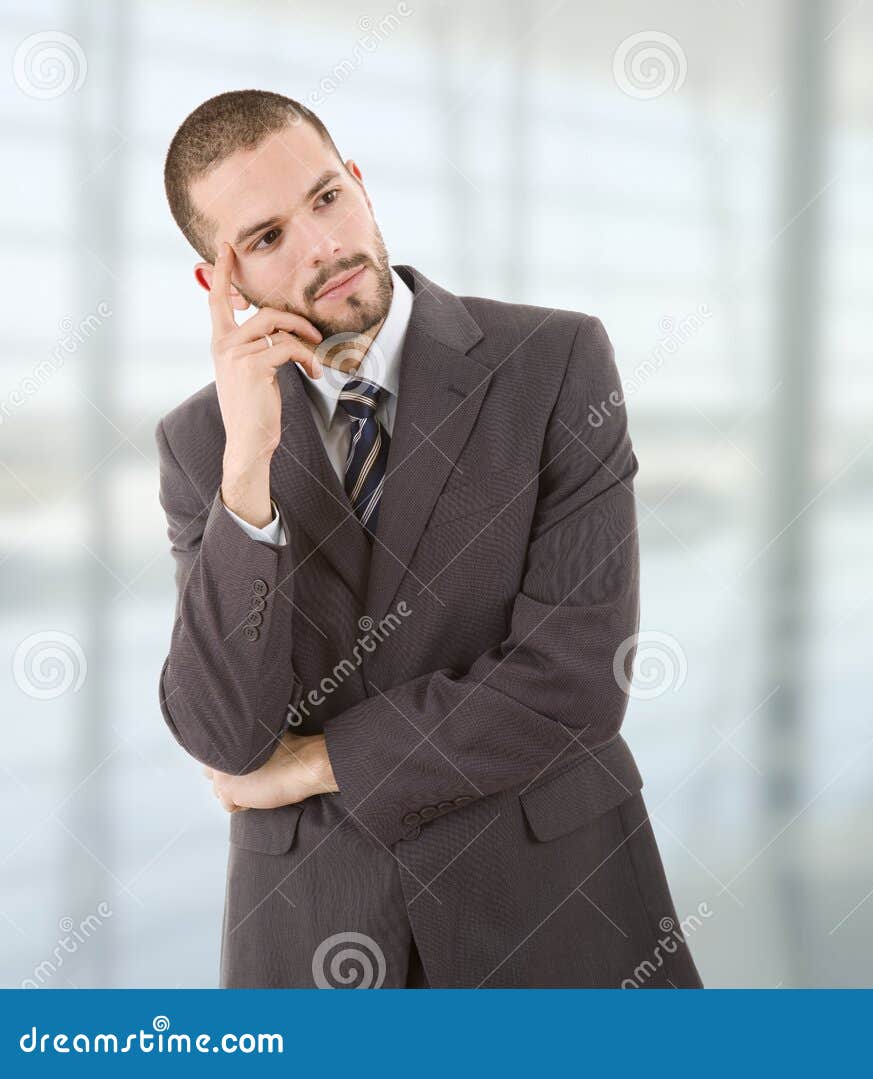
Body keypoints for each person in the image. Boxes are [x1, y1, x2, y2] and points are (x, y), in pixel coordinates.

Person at [154, 89, 701, 989]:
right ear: (223, 286)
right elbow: (225, 731)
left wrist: (320, 762)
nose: (322, 247)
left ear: (361, 186)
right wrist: (247, 471)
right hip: (313, 932)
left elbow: (576, 680)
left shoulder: (554, 363)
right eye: (266, 238)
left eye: (327, 199)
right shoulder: (203, 445)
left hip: (556, 908)